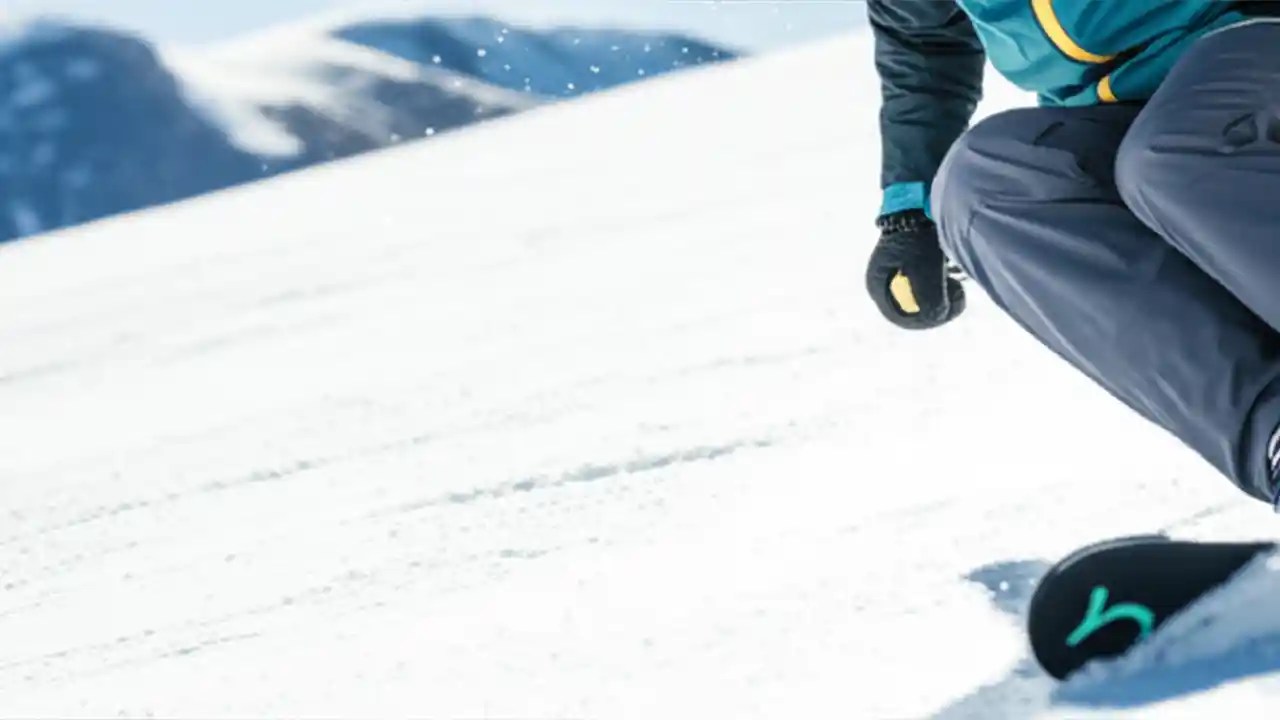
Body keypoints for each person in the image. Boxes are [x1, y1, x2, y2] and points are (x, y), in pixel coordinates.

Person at [863, 1, 1280, 508]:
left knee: (1169, 157)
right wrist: (910, 213)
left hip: (1251, 34)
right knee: (988, 186)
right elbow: (926, 46)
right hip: (1123, 107)